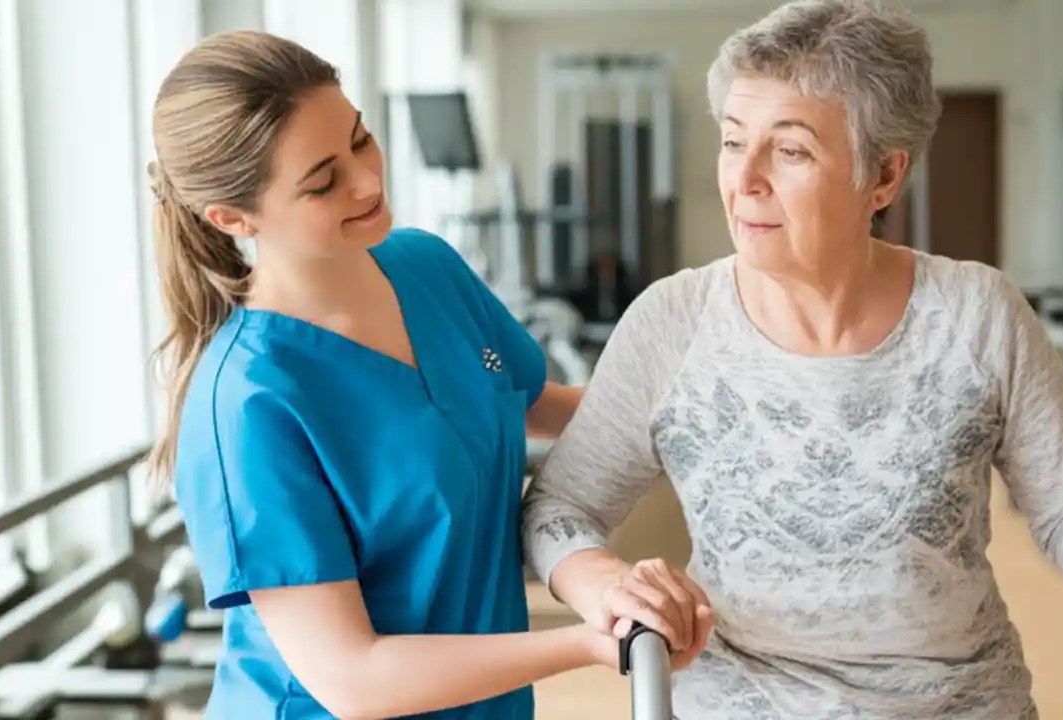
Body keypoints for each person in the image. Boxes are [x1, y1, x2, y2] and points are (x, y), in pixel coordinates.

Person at [520, 1, 1063, 718]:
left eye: (789, 151)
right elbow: (559, 508)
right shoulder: (672, 322)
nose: (744, 180)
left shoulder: (977, 314)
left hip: (960, 704)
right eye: (731, 142)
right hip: (741, 702)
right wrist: (603, 581)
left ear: (883, 178)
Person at [145, 31, 686, 720]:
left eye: (361, 140)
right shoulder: (248, 402)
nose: (367, 182)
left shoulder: (425, 266)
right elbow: (352, 678)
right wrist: (585, 641)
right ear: (232, 217)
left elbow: (537, 404)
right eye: (322, 181)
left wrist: (710, 422)